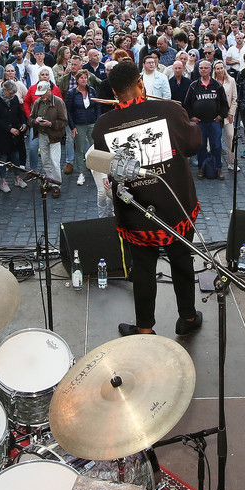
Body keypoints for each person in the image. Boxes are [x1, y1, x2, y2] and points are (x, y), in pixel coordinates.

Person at [92, 61, 203, 338]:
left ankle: (145, 328)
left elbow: (105, 165)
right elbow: (193, 144)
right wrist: (189, 123)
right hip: (174, 205)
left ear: (115, 91)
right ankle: (187, 317)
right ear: (140, 82)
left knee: (142, 269)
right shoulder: (168, 109)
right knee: (181, 260)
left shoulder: (103, 125)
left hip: (137, 210)